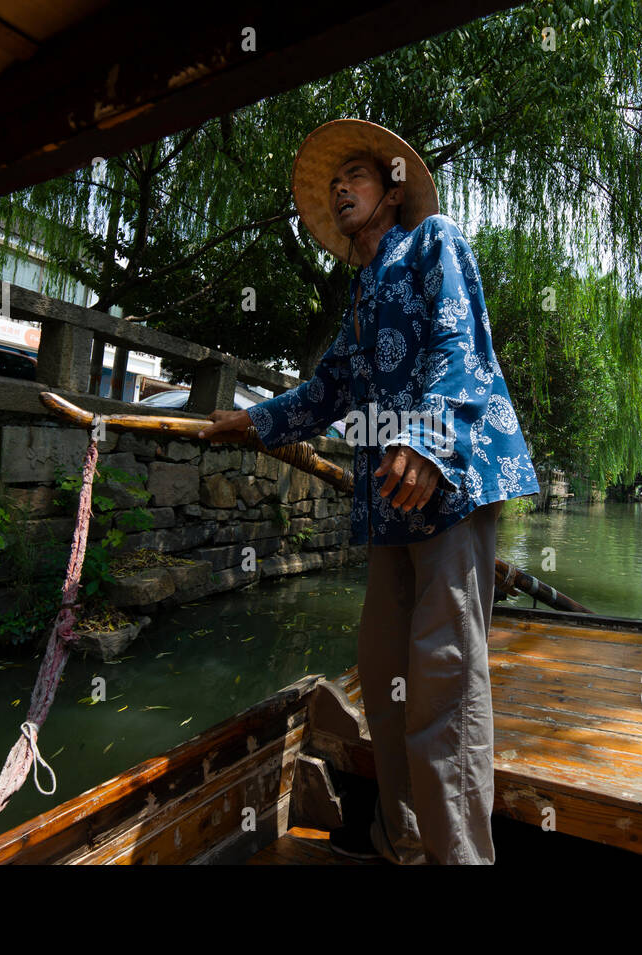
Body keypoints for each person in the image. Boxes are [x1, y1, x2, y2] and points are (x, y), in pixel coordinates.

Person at [199, 119, 539, 864]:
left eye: (354, 175)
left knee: (444, 681)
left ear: (390, 189)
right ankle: (402, 844)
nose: (339, 189)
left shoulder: (434, 242)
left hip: (448, 484)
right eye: (331, 183)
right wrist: (252, 423)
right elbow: (330, 388)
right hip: (392, 504)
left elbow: (461, 345)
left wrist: (427, 437)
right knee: (386, 673)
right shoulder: (361, 292)